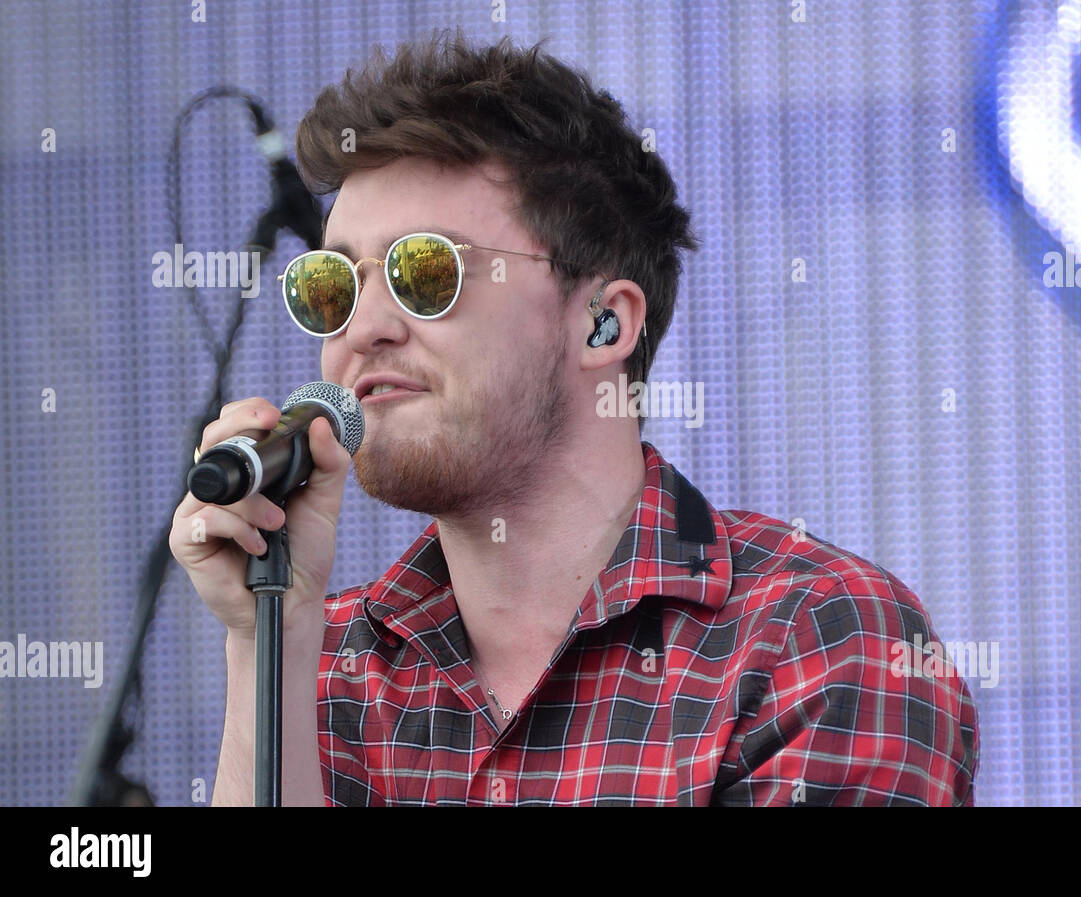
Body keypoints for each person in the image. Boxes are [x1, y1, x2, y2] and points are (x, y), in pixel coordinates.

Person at [169, 31, 979, 806]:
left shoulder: (817, 637)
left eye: (425, 271)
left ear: (603, 323)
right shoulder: (325, 660)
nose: (363, 326)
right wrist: (265, 638)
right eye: (331, 285)